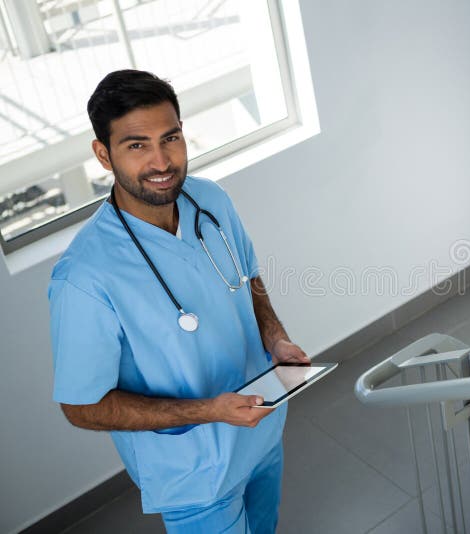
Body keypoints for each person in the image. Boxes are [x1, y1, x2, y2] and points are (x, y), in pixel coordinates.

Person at [48, 70, 309, 533]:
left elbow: (248, 277)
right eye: (137, 145)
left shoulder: (210, 200)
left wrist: (277, 338)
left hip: (261, 428)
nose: (161, 160)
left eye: (171, 137)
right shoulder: (85, 277)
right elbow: (82, 407)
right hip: (195, 471)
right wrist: (207, 411)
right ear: (103, 155)